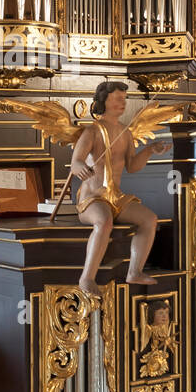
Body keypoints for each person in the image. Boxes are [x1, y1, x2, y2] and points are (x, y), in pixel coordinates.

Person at [70, 81, 169, 295]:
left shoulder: (125, 133)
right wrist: (81, 168)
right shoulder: (92, 131)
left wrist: (150, 150)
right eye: (117, 98)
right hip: (92, 198)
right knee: (104, 222)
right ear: (104, 101)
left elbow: (132, 166)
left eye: (124, 99)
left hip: (116, 196)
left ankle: (135, 271)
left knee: (149, 219)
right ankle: (87, 277)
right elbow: (75, 161)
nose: (122, 103)